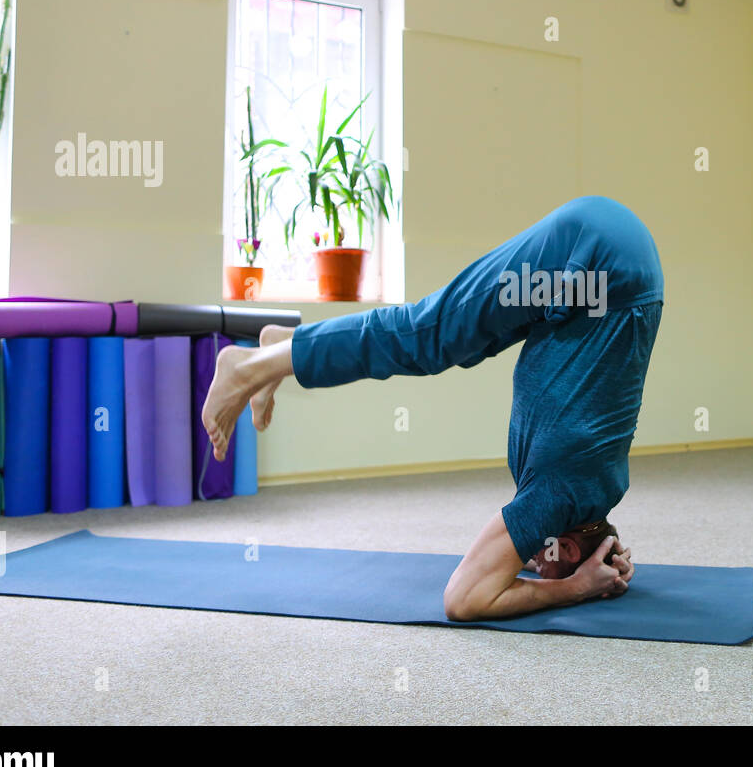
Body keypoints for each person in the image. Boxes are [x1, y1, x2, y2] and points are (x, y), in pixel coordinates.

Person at [201, 195, 664, 621]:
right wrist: (573, 589)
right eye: (543, 565)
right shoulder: (554, 497)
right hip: (596, 265)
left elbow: (556, 535)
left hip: (620, 281)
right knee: (428, 337)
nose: (529, 566)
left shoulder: (601, 491)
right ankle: (246, 367)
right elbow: (464, 600)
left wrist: (600, 552)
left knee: (463, 342)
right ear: (561, 545)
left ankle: (284, 349)